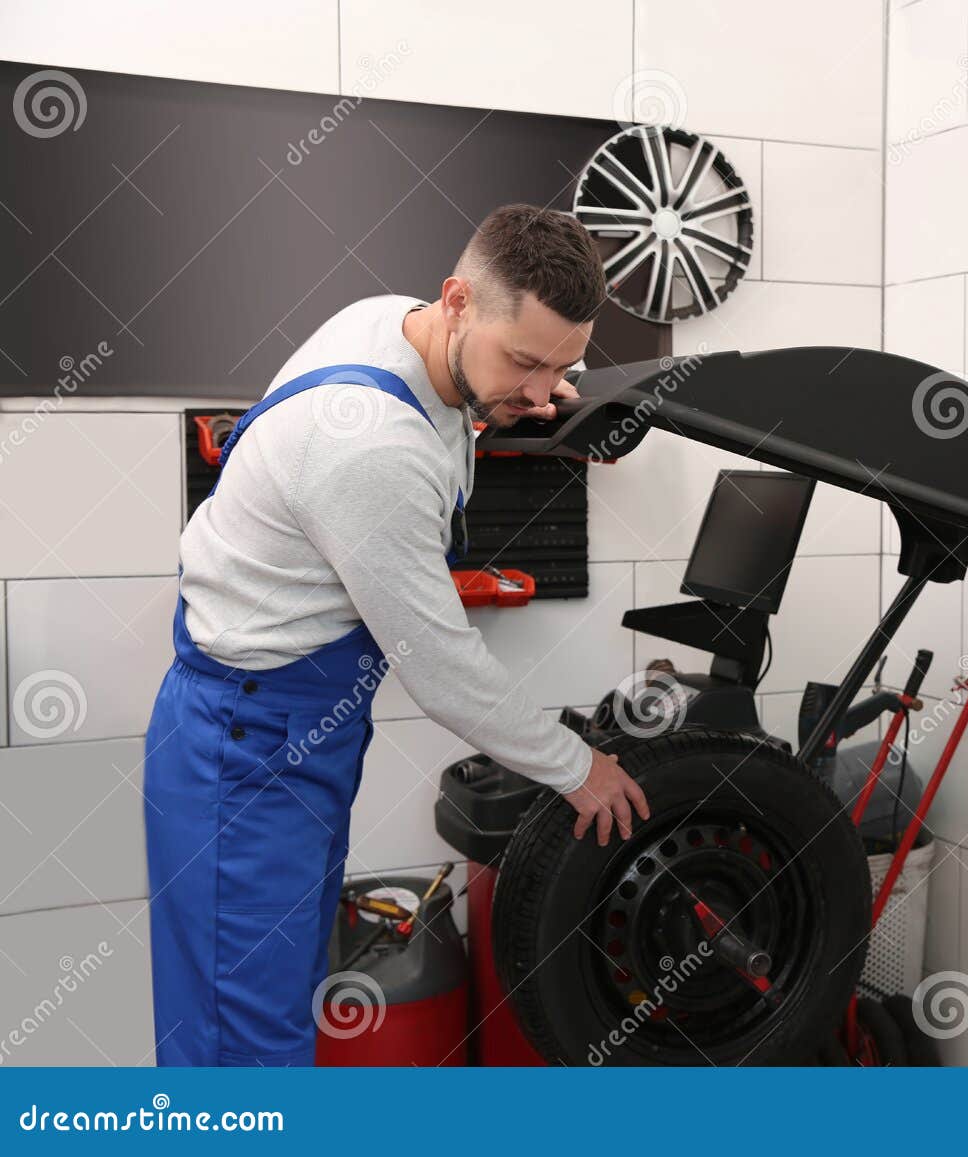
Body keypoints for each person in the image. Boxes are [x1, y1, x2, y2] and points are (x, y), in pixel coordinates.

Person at [142, 204, 648, 1066]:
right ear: (458, 301)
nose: (539, 390)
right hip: (247, 747)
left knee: (271, 1007)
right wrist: (578, 768)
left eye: (558, 364)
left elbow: (519, 354)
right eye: (524, 363)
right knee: (244, 1046)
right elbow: (440, 666)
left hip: (286, 730)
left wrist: (549, 375)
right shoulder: (370, 448)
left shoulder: (396, 322)